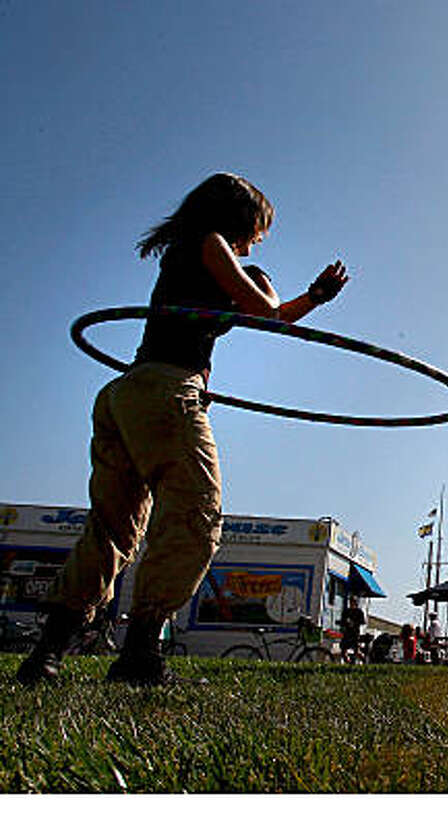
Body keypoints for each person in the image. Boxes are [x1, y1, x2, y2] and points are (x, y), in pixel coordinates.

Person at [16, 173, 348, 686]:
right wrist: (289, 291)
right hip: (164, 392)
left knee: (113, 529)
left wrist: (311, 299)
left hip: (127, 393)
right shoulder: (210, 243)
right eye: (257, 228)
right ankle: (141, 651)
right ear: (238, 217)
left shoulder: (193, 256)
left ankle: (47, 654)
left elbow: (271, 316)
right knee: (197, 515)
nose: (258, 238)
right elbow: (268, 311)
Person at [339, 596, 366, 663]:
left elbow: (362, 622)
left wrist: (354, 623)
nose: (352, 603)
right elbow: (342, 621)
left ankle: (364, 659)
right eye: (351, 601)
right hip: (347, 633)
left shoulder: (359, 612)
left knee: (356, 650)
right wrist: (343, 625)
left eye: (353, 602)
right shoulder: (346, 611)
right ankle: (348, 662)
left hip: (355, 633)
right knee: (343, 649)